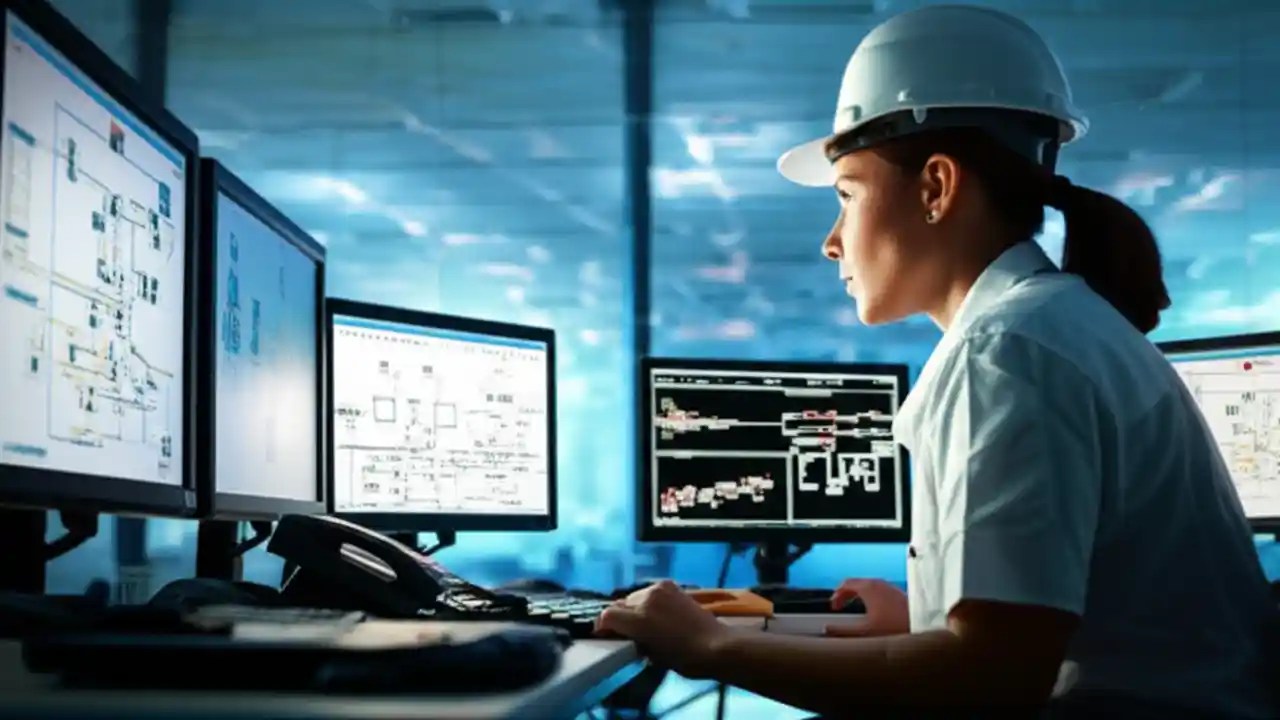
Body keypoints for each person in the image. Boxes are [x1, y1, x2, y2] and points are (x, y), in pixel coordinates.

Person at [597, 5, 1278, 718]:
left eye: (847, 196)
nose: (832, 241)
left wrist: (709, 647)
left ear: (936, 188)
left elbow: (988, 682)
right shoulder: (1054, 325)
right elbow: (1026, 642)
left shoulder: (1006, 353)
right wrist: (926, 620)